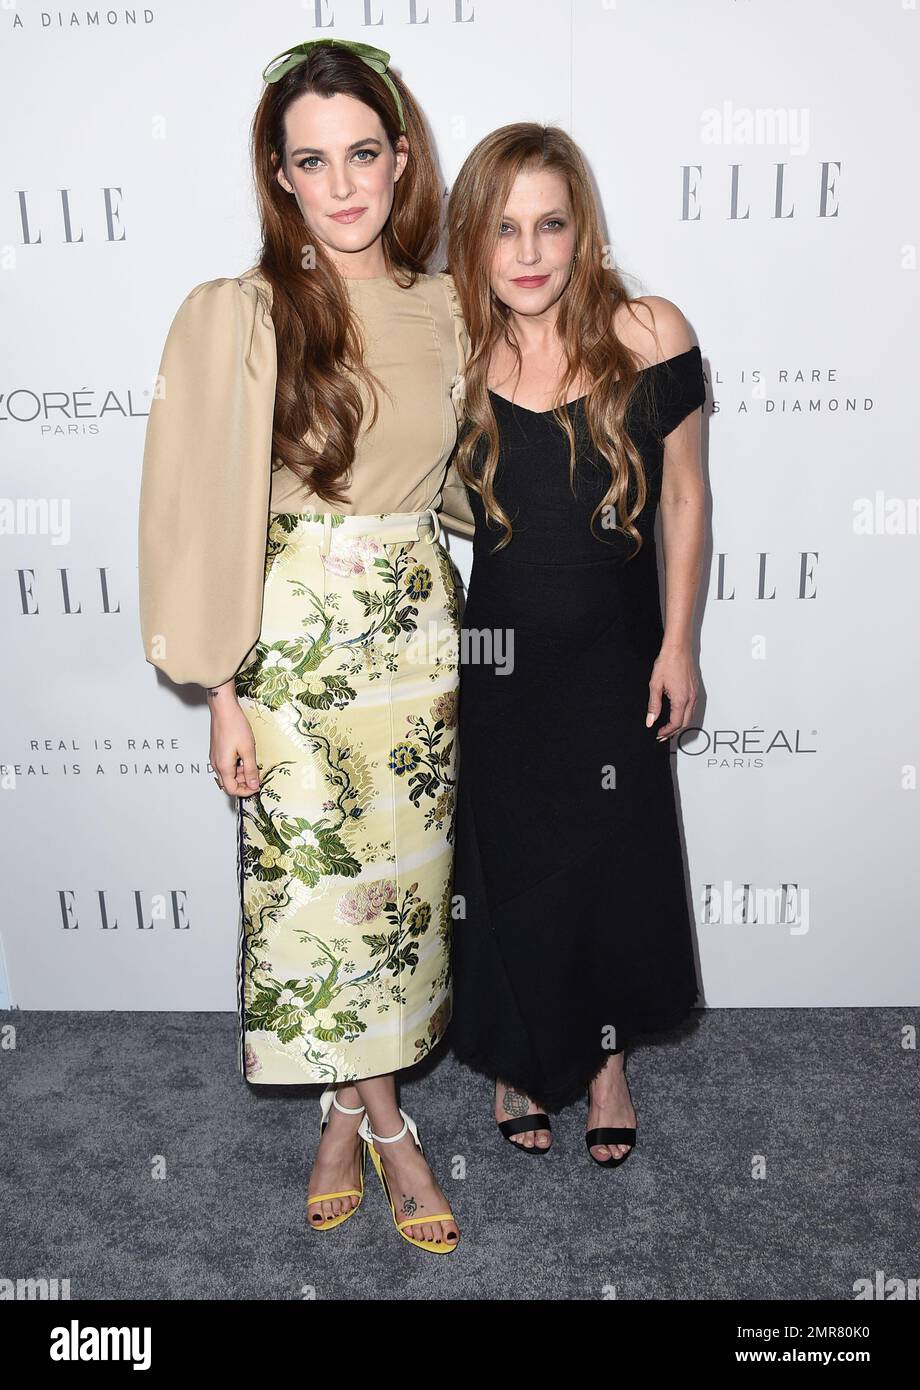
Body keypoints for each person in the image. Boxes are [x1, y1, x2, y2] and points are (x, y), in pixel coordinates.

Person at [138, 38, 475, 1252]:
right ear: (278, 177)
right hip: (292, 641)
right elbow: (201, 503)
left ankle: (341, 1107)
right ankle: (392, 1133)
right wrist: (222, 691)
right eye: (310, 161)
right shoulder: (244, 313)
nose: (341, 185)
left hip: (415, 639)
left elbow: (474, 482)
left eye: (363, 154)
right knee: (311, 900)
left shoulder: (451, 307)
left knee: (396, 904)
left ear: (400, 157)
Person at [444, 124, 705, 1165]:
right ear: (473, 237)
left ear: (579, 226)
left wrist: (678, 643)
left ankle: (603, 1066)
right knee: (509, 859)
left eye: (549, 222)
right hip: (498, 650)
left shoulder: (647, 331)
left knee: (607, 854)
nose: (528, 251)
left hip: (616, 638)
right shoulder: (456, 348)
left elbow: (684, 496)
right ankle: (515, 1056)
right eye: (503, 227)